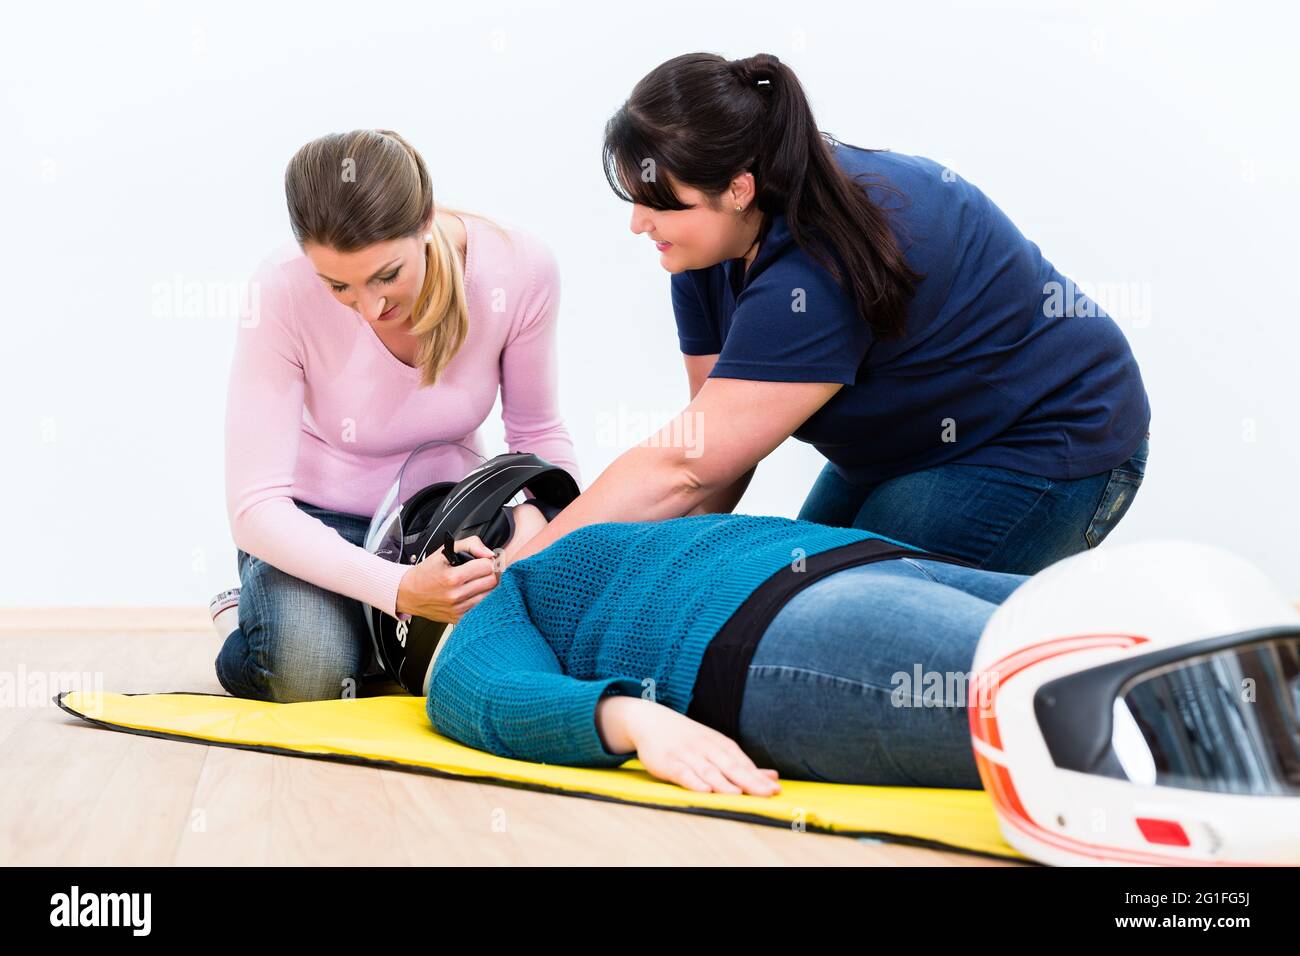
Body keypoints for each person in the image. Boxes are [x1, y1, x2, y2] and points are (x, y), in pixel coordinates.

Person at [506, 51, 1151, 576]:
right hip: (911, 440)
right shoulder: (705, 249)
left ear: (739, 188)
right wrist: (636, 566)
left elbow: (685, 469)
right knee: (779, 586)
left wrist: (532, 564)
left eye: (660, 203)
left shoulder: (818, 264)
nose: (637, 223)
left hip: (1045, 439)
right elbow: (714, 449)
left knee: (846, 620)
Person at [214, 129, 580, 704]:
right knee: (306, 674)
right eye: (339, 285)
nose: (371, 307)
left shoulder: (520, 270)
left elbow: (537, 435)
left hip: (442, 520)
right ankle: (256, 614)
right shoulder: (280, 289)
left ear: (425, 222)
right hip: (317, 523)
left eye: (387, 275)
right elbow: (255, 507)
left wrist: (549, 531)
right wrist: (401, 590)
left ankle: (363, 628)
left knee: (538, 650)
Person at [427, 501, 1031, 796]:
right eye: (507, 514)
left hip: (879, 562)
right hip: (783, 629)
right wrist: (634, 720)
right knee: (1087, 691)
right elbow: (480, 690)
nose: (528, 507)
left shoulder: (610, 536)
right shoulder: (506, 596)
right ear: (472, 551)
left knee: (1111, 629)